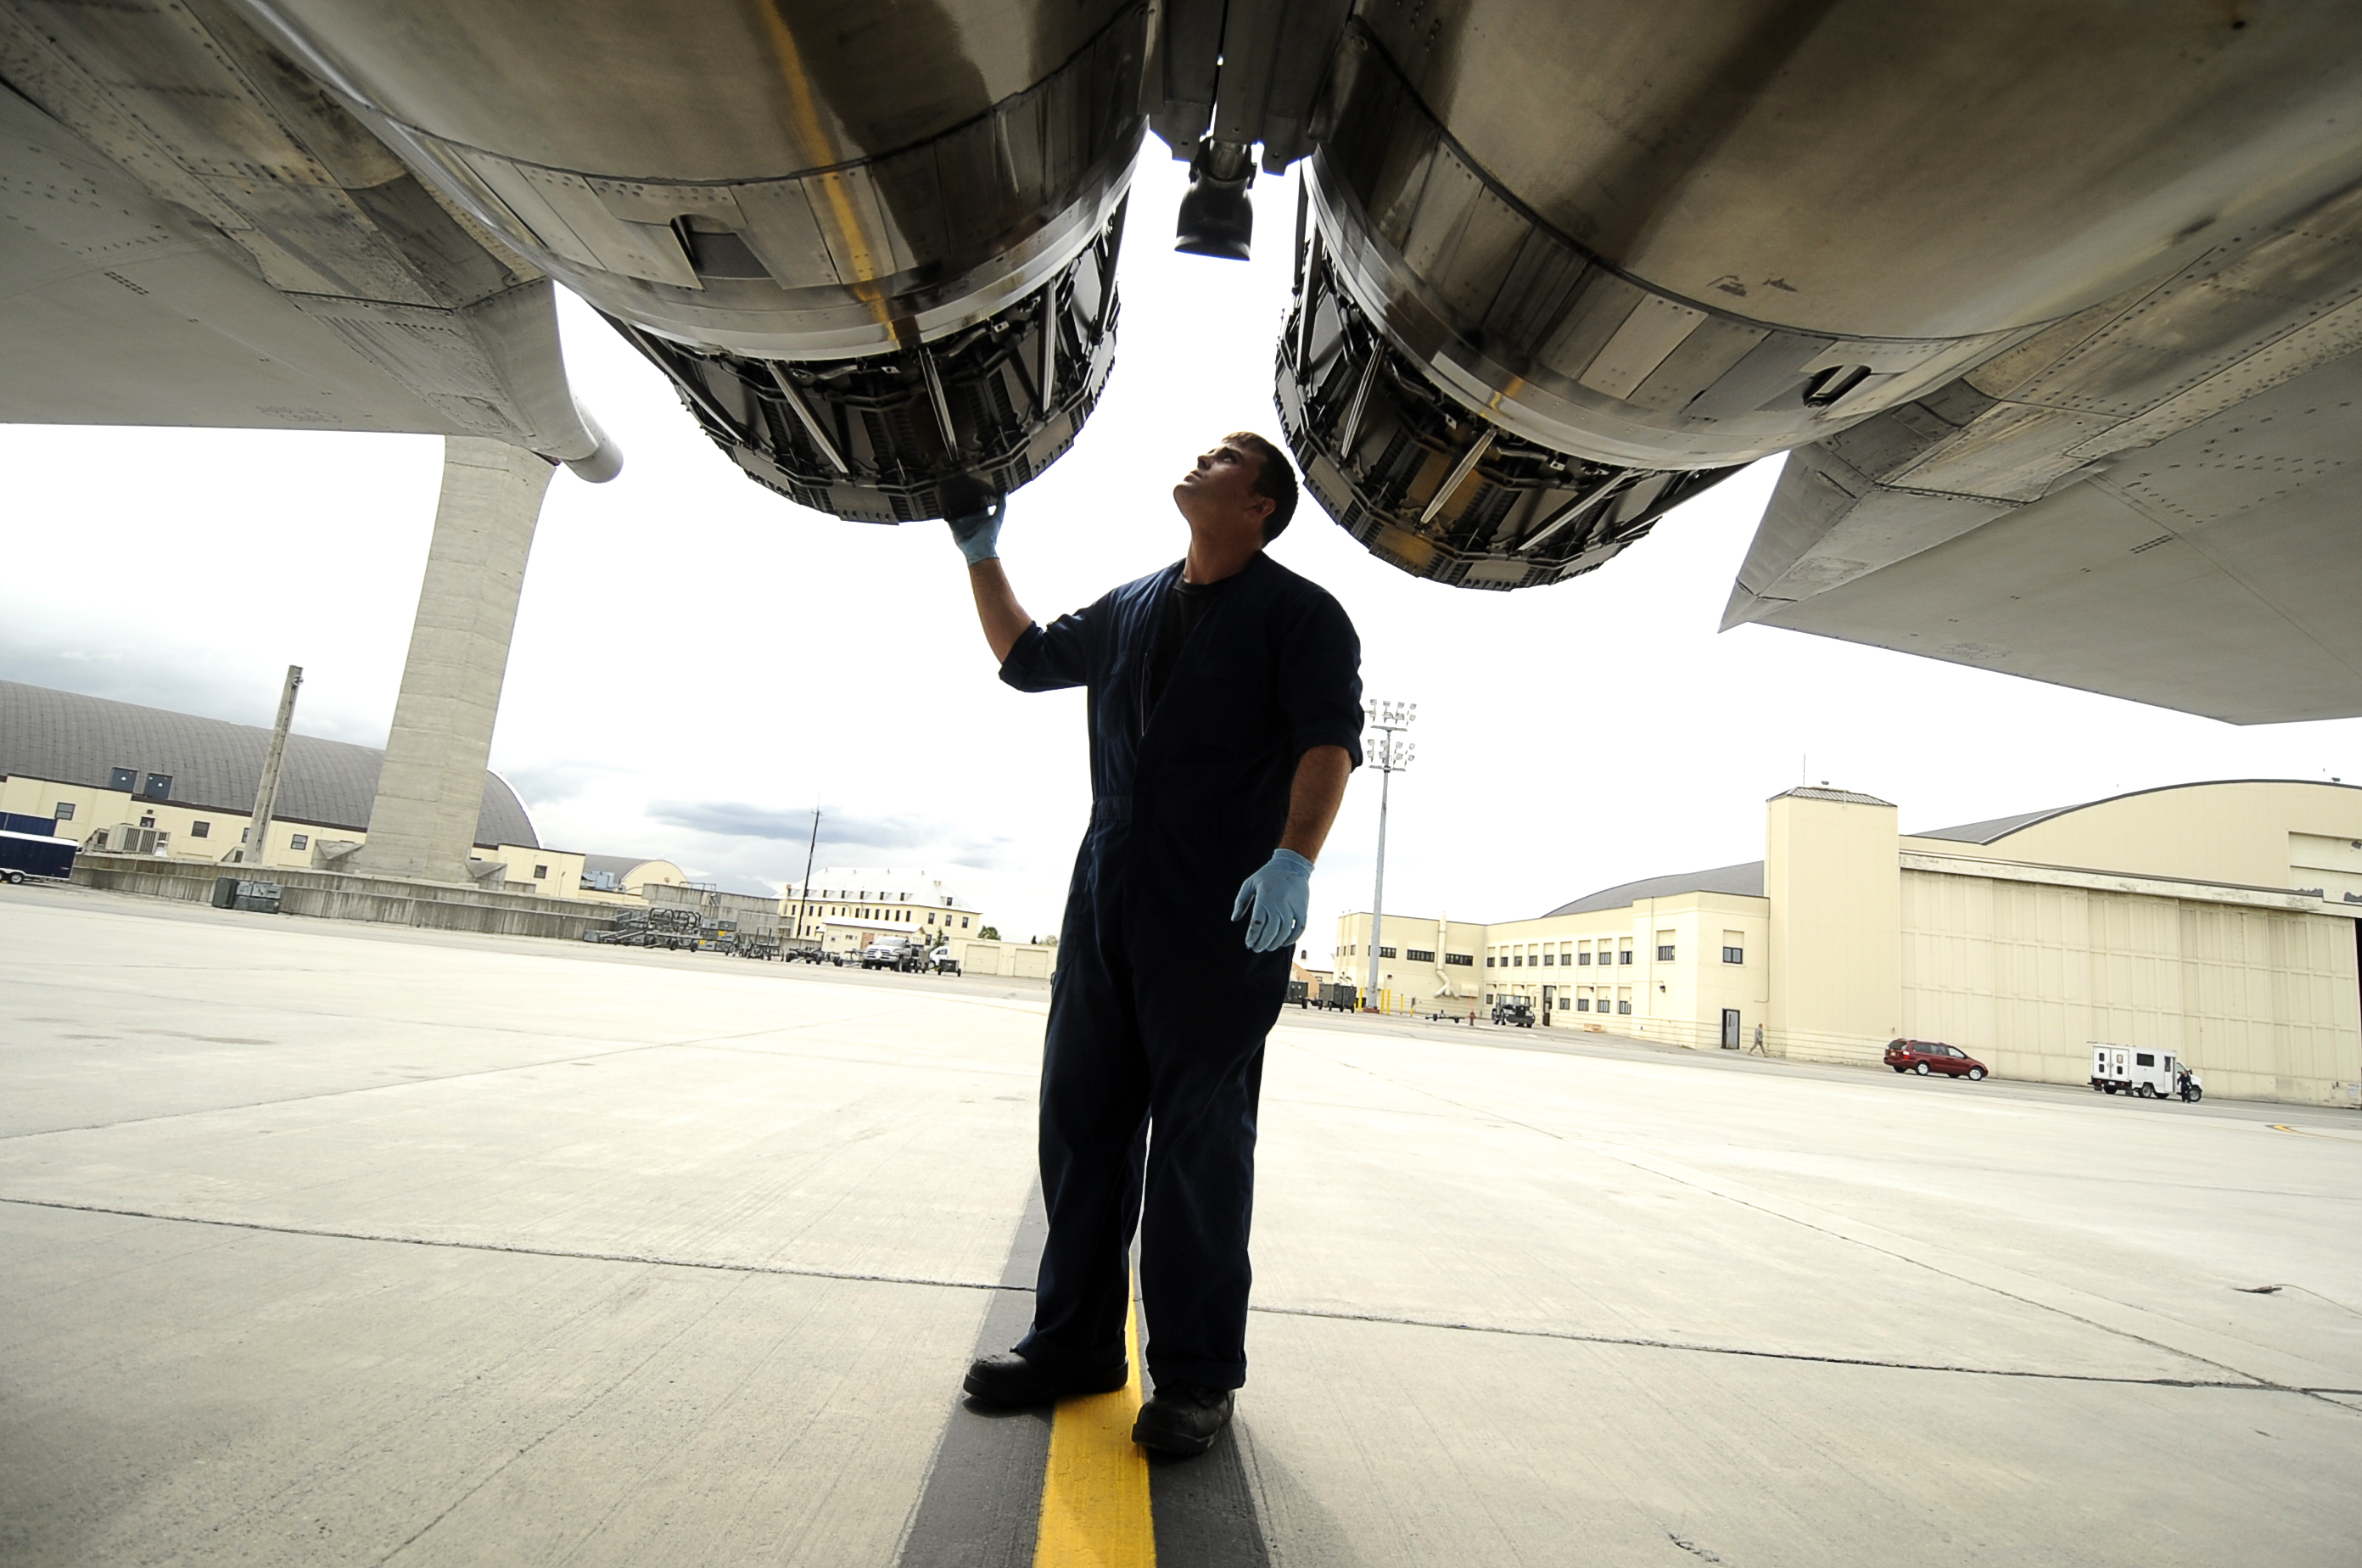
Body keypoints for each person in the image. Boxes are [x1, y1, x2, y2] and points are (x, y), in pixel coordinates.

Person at [947, 432, 1362, 1457]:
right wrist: (980, 555)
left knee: (1196, 1144)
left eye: (1225, 457)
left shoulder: (1301, 614)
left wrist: (1294, 859)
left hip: (1223, 907)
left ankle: (1196, 1377)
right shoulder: (1129, 605)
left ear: (1261, 506)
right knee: (1081, 1122)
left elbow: (1329, 741)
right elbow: (1025, 659)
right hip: (1109, 890)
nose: (1200, 460)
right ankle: (1074, 1343)